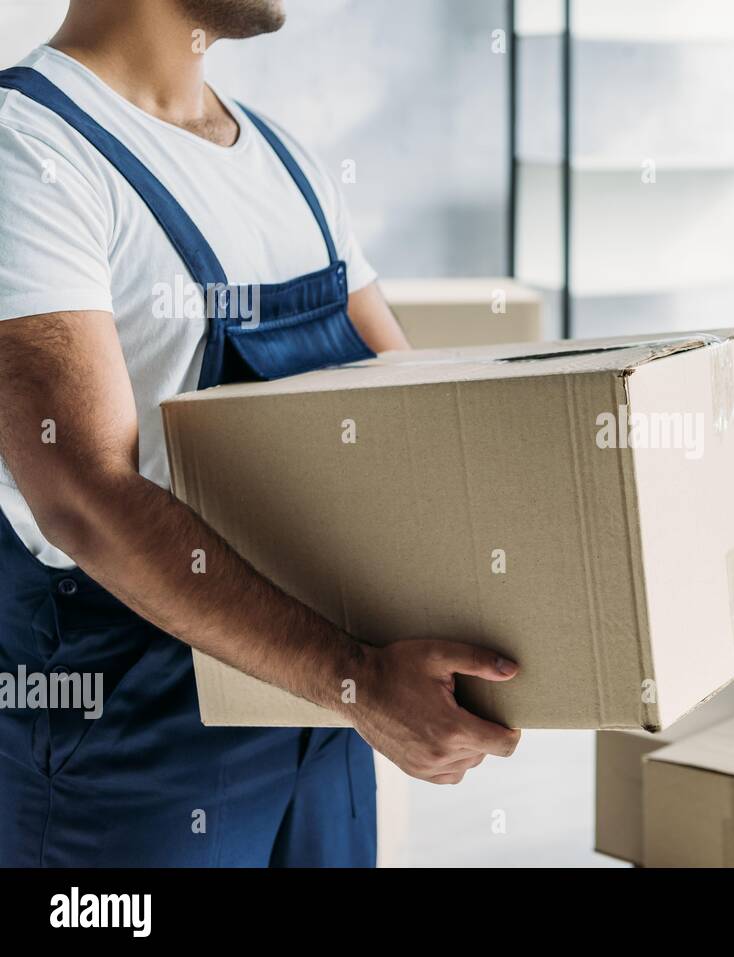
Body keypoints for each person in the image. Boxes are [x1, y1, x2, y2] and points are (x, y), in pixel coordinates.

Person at [0, 0, 520, 867]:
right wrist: (353, 678)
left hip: (327, 709)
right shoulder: (32, 149)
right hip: (132, 739)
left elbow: (410, 406)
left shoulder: (288, 160)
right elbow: (84, 496)